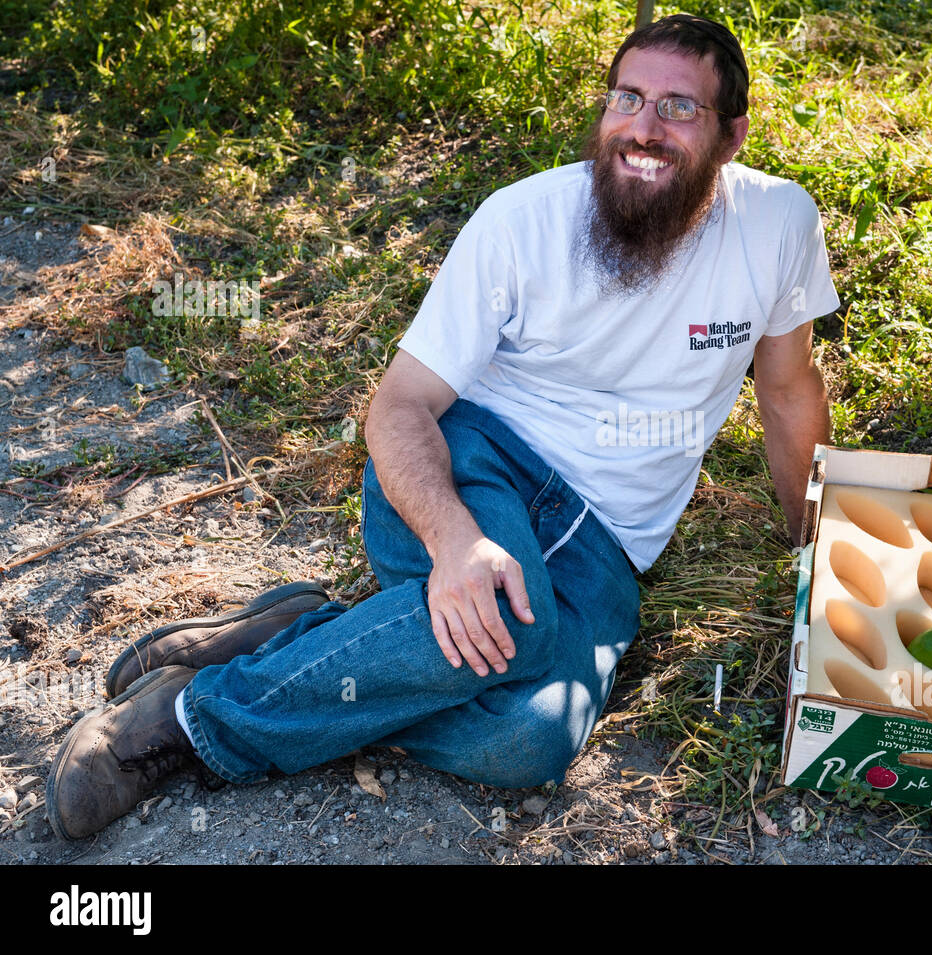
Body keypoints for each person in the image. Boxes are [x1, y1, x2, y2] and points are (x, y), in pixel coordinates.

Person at [44, 13, 839, 841]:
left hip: (606, 545)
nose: (642, 128)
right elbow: (397, 406)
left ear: (732, 136)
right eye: (627, 98)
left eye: (679, 108)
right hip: (474, 463)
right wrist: (456, 538)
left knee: (528, 736)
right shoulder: (521, 222)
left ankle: (314, 637)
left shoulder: (777, 226)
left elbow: (786, 393)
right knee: (505, 620)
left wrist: (817, 554)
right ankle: (189, 718)